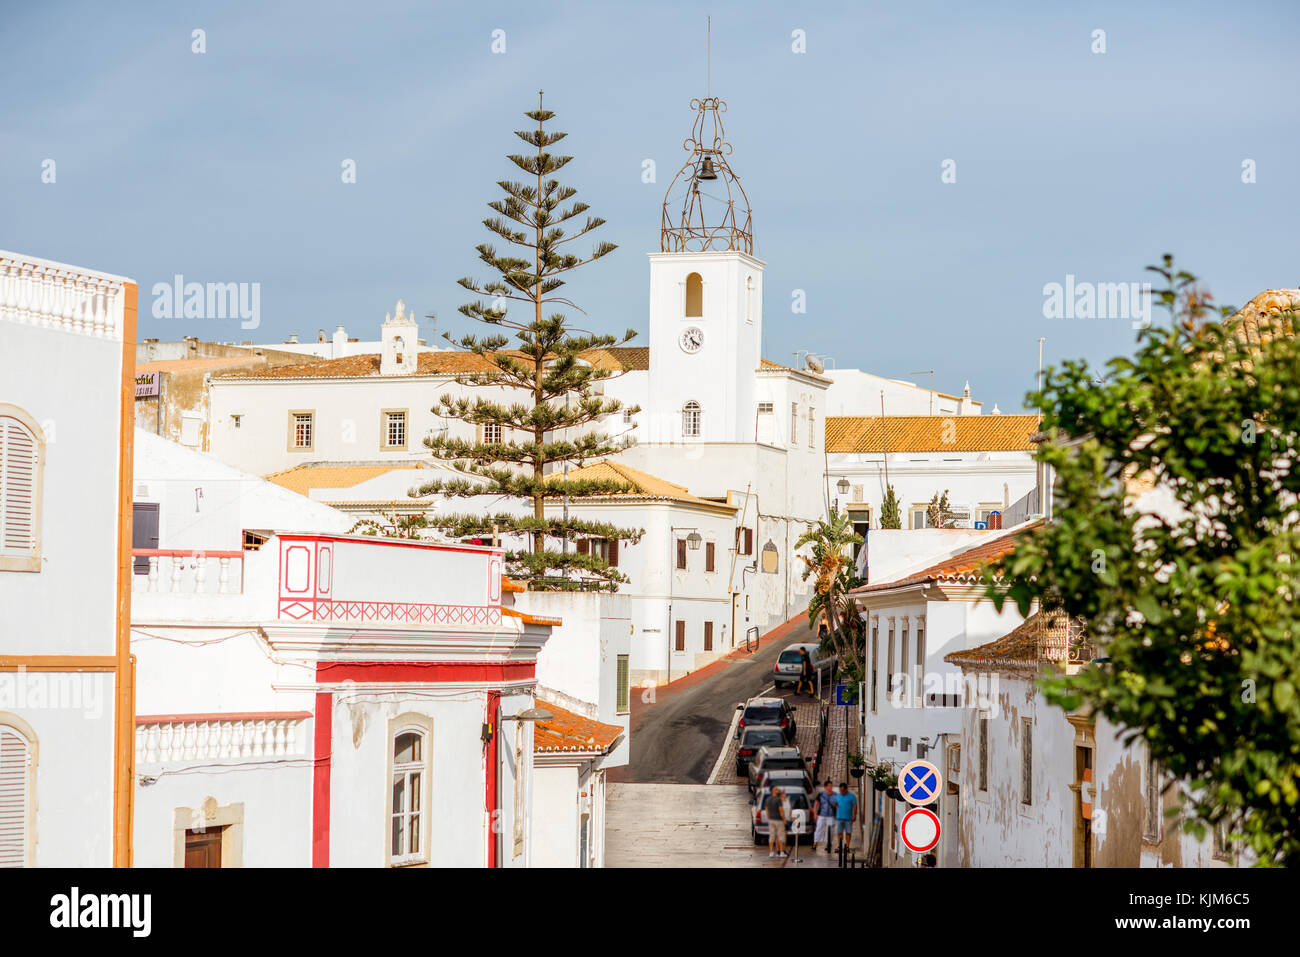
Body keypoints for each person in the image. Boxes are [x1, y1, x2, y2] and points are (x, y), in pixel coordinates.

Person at [812, 779, 836, 853]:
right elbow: (816, 804)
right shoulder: (821, 794)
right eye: (829, 786)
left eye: (831, 786)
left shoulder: (835, 795)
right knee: (819, 828)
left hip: (831, 815)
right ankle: (815, 843)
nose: (830, 787)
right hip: (822, 814)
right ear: (825, 787)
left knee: (831, 830)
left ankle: (828, 844)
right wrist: (815, 814)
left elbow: (838, 804)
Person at [834, 781, 858, 853]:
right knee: (839, 832)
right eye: (840, 790)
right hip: (839, 817)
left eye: (842, 790)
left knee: (848, 832)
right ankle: (840, 846)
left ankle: (847, 846)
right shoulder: (838, 796)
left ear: (846, 789)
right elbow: (835, 804)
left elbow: (855, 806)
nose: (841, 791)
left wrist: (854, 815)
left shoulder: (852, 796)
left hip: (848, 818)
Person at [765, 786, 788, 859]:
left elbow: (766, 810)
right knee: (781, 836)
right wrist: (784, 820)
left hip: (771, 820)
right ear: (773, 791)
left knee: (772, 836)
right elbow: (781, 811)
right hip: (779, 820)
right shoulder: (778, 800)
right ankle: (781, 852)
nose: (778, 790)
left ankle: (771, 852)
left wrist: (769, 818)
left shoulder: (768, 799)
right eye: (776, 789)